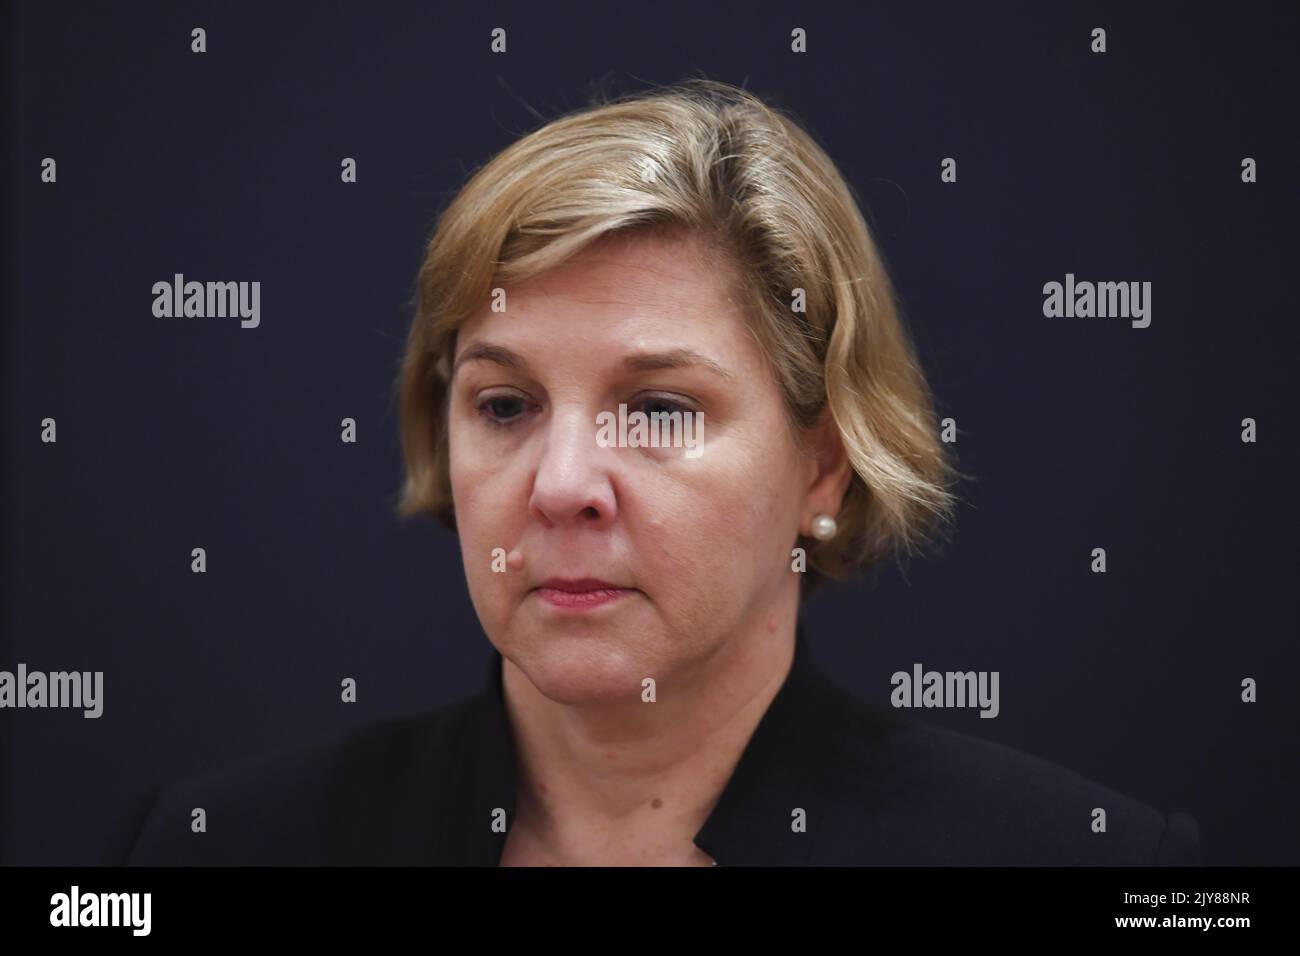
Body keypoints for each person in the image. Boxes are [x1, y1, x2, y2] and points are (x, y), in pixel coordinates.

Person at [123, 79, 1199, 866]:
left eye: (658, 407)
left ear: (822, 464)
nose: (560, 485)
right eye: (504, 404)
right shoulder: (217, 848)